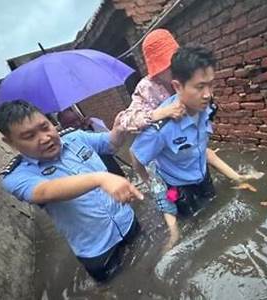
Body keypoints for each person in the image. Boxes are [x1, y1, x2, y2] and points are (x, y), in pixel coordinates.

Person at [0, 100, 143, 282]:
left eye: (45, 127)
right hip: (99, 250)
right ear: (10, 142)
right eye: (29, 136)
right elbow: (45, 191)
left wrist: (119, 130)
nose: (45, 138)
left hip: (127, 222)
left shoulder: (76, 138)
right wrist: (100, 178)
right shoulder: (16, 177)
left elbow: (109, 144)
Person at [130, 46, 249, 248]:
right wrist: (152, 184)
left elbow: (203, 150)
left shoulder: (207, 109)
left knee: (214, 205)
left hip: (203, 175)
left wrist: (238, 178)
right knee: (192, 225)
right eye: (200, 87)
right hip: (177, 188)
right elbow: (136, 157)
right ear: (177, 86)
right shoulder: (161, 129)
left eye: (211, 85)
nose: (207, 94)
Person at [114, 28, 185, 133]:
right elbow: (126, 121)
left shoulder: (188, 72)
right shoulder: (147, 87)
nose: (175, 69)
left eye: (176, 62)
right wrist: (161, 113)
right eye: (168, 66)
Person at [57, 107, 125, 177]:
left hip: (114, 170)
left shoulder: (89, 127)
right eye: (71, 123)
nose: (77, 123)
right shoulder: (68, 144)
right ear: (63, 127)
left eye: (77, 119)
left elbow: (110, 140)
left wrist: (92, 126)